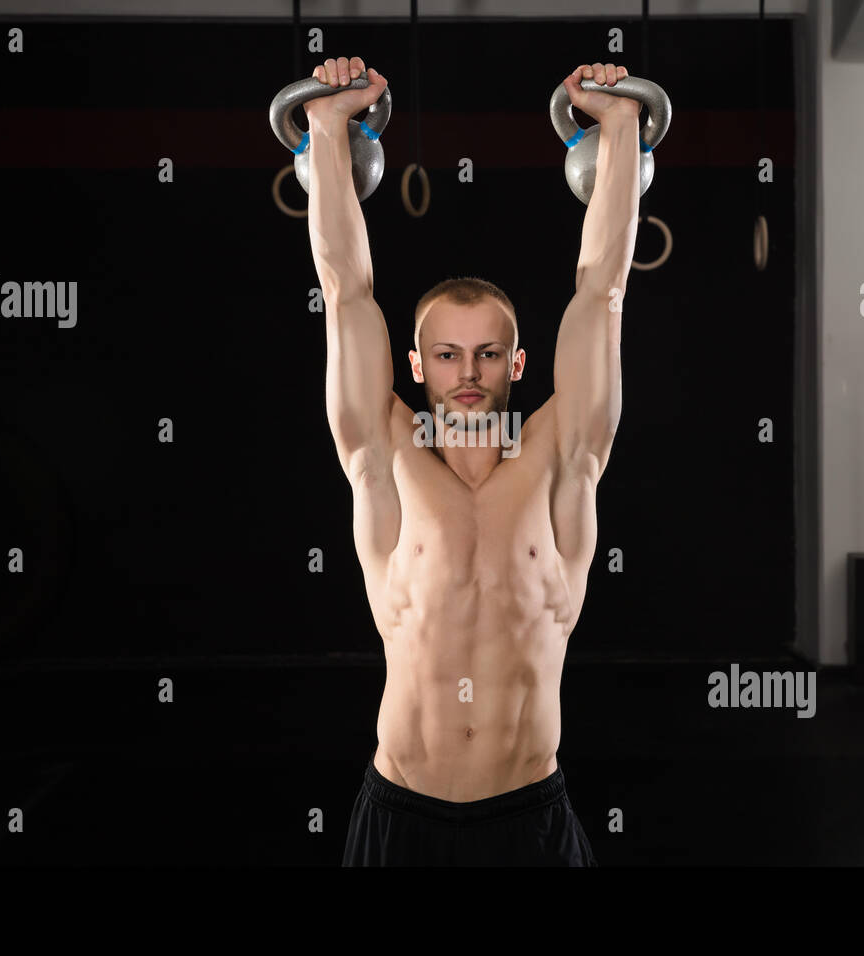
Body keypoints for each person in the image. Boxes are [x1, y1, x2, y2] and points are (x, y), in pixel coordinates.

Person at [303, 56, 641, 865]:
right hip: (400, 816)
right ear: (415, 366)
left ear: (517, 365)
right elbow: (345, 289)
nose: (468, 373)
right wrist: (324, 124)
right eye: (447, 356)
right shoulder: (382, 454)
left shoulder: (563, 457)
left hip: (529, 820)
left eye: (489, 354)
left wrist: (622, 126)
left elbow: (602, 292)